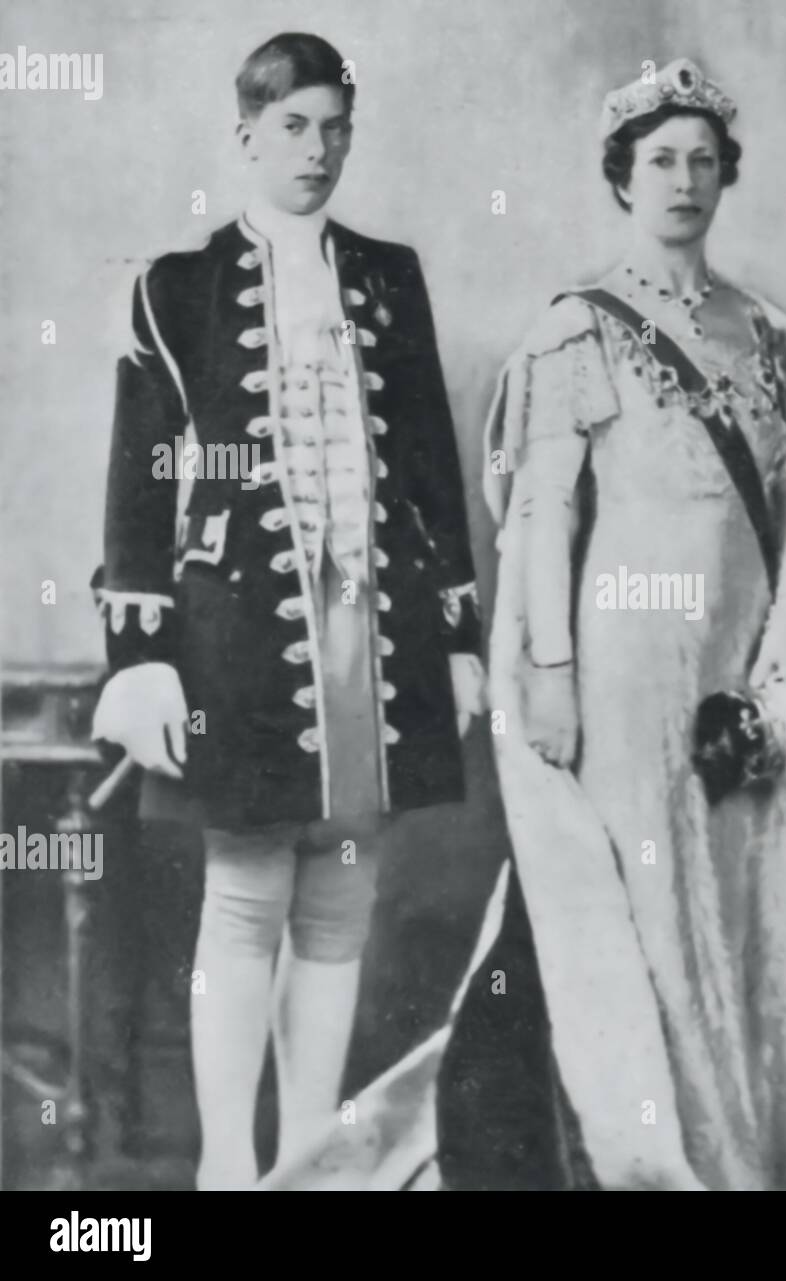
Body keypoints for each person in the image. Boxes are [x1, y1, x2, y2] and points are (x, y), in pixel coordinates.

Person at [260, 56, 786, 1192]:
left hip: (731, 663)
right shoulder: (582, 328)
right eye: (659, 161)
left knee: (732, 903)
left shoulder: (769, 334)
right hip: (618, 663)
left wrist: (778, 657)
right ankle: (628, 1158)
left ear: (727, 178)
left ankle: (742, 1150)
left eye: (703, 161)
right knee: (626, 904)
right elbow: (537, 516)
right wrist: (553, 672)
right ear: (623, 179)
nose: (682, 180)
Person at [90, 32, 485, 1190]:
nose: (316, 150)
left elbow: (427, 467)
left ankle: (309, 1158)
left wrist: (457, 635)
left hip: (377, 624)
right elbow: (137, 483)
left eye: (334, 127)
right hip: (238, 642)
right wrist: (143, 655)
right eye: (293, 127)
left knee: (342, 897)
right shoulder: (178, 287)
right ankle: (227, 1163)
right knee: (245, 894)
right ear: (248, 134)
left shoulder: (389, 275)